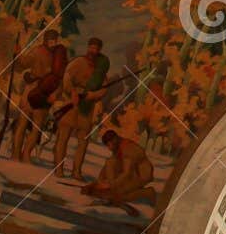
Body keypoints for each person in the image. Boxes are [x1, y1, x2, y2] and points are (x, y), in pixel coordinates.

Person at [52, 38, 113, 179]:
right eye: (91, 47)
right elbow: (67, 78)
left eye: (96, 48)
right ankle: (59, 169)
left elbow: (104, 88)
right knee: (63, 138)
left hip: (87, 107)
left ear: (99, 50)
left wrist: (93, 95)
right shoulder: (78, 62)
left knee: (83, 141)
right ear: (88, 47)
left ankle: (76, 172)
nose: (93, 51)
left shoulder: (100, 70)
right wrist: (72, 92)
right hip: (71, 104)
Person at [14, 29, 68, 163]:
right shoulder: (38, 52)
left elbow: (61, 78)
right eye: (50, 40)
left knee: (36, 127)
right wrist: (18, 54)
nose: (53, 43)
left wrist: (55, 94)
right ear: (45, 40)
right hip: (33, 89)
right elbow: (22, 65)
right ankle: (16, 154)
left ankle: (26, 154)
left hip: (46, 91)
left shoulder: (58, 57)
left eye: (55, 40)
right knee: (22, 123)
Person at [81, 130, 156, 216]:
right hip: (131, 174)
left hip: (140, 176)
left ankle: (147, 192)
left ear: (114, 140)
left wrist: (111, 185)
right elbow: (107, 167)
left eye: (109, 145)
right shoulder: (118, 147)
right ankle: (112, 193)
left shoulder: (128, 148)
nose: (109, 148)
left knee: (120, 194)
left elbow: (127, 173)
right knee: (110, 162)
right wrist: (97, 183)